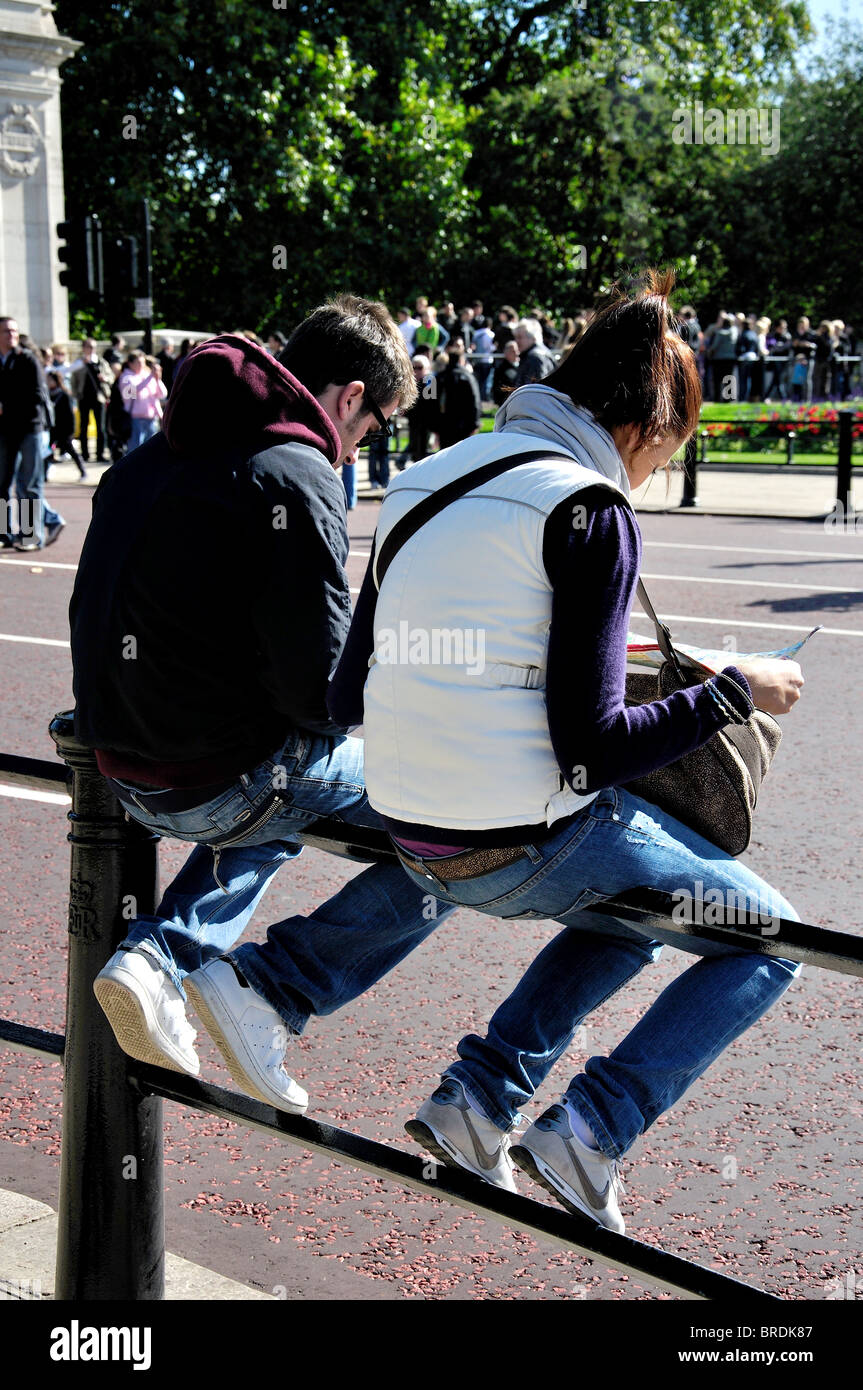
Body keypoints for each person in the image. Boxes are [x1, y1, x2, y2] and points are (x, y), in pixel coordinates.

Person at [330, 268, 804, 1233]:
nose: (655, 475)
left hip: (405, 832)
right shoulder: (590, 507)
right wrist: (730, 692)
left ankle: (480, 1102)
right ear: (641, 427)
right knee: (767, 940)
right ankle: (593, 1128)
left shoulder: (429, 476)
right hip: (512, 844)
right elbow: (588, 753)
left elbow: (347, 690)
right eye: (666, 453)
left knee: (635, 903)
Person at [71, 297, 456, 1111]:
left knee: (277, 801)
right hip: (220, 779)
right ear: (350, 397)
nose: (364, 446)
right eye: (376, 425)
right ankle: (275, 989)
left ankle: (162, 958)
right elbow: (317, 694)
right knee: (455, 822)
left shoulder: (148, 456)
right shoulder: (298, 471)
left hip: (120, 766)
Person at [0, 315, 62, 549]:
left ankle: (29, 536)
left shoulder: (27, 359)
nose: (12, 335)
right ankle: (3, 533)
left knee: (28, 484)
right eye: (6, 331)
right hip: (5, 430)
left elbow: (37, 394)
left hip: (29, 428)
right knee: (1, 484)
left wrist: (6, 405)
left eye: (14, 331)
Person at [70, 339, 114, 463]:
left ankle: (100, 453)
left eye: (93, 347)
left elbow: (111, 377)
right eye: (89, 346)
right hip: (84, 398)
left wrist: (104, 378)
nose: (91, 349)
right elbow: (73, 380)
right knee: (83, 426)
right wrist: (76, 394)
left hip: (98, 397)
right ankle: (85, 454)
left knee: (101, 427)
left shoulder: (101, 362)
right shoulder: (79, 363)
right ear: (84, 348)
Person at [437, 335, 481, 448]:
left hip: (444, 426)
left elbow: (432, 402)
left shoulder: (441, 378)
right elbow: (475, 400)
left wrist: (434, 426)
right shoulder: (468, 377)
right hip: (464, 426)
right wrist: (475, 424)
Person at [118, 350, 168, 449]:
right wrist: (150, 377)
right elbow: (134, 391)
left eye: (143, 362)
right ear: (130, 364)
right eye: (138, 362)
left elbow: (162, 394)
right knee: (135, 449)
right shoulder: (126, 378)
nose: (141, 365)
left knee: (151, 450)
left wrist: (158, 379)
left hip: (151, 418)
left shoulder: (147, 375)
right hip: (135, 419)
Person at [47, 370, 87, 479]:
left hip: (64, 429)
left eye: (50, 380)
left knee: (71, 450)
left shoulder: (64, 395)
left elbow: (71, 415)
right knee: (47, 451)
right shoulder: (47, 394)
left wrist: (71, 431)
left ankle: (83, 472)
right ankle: (45, 473)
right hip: (52, 428)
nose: (48, 382)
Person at [513, 317, 555, 386]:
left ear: (533, 337)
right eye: (516, 337)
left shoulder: (535, 358)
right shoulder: (540, 353)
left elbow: (534, 390)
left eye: (520, 337)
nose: (516, 341)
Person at [491, 339, 519, 405]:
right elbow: (498, 387)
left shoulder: (522, 366)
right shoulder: (501, 369)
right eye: (513, 351)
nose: (516, 353)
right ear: (506, 353)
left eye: (517, 351)